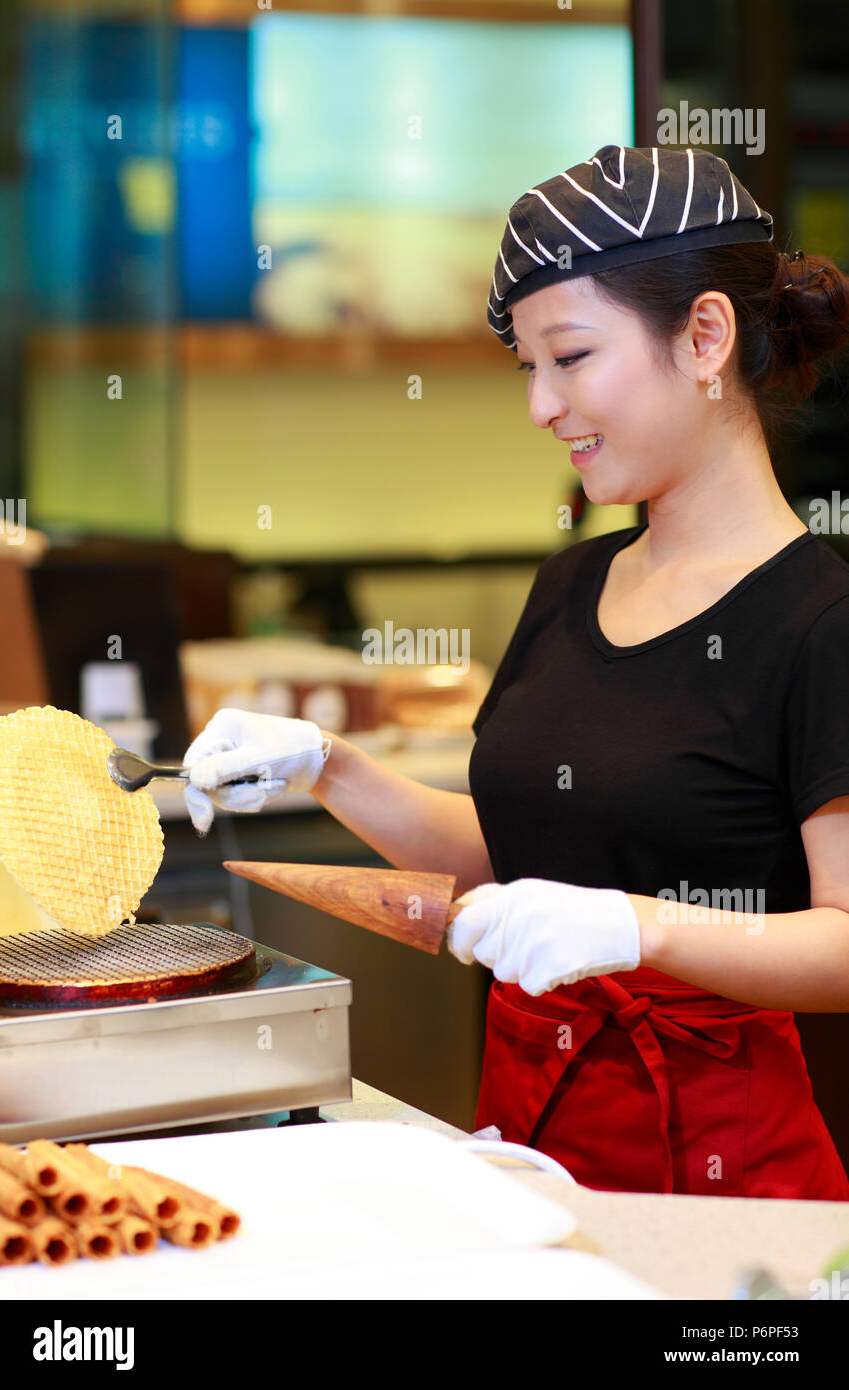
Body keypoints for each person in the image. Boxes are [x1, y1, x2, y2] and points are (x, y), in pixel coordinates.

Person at [182, 145, 849, 1200]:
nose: (541, 405)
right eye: (527, 367)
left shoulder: (818, 619)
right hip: (530, 1136)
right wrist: (326, 766)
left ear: (705, 336)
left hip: (720, 1174)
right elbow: (513, 854)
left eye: (571, 356)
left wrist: (639, 925)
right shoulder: (570, 585)